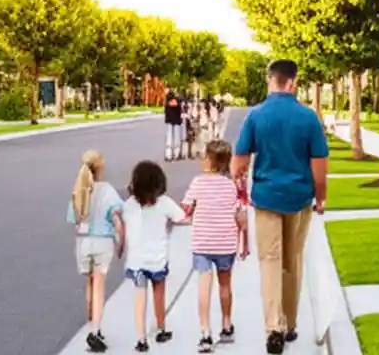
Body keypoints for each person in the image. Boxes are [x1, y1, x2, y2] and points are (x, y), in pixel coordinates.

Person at [232, 59, 328, 355]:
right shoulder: (308, 118)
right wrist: (321, 197)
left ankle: (273, 326)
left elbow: (239, 162)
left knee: (270, 261)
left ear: (270, 80)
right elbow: (320, 168)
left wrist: (241, 182)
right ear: (293, 82)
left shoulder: (256, 116)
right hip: (299, 199)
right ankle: (290, 323)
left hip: (266, 199)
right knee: (292, 260)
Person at [182, 140, 249, 353]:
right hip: (225, 243)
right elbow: (239, 215)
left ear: (209, 161)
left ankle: (204, 332)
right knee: (225, 285)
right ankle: (227, 324)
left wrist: (193, 210)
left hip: (202, 242)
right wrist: (244, 241)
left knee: (204, 285)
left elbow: (187, 207)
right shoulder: (230, 186)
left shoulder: (197, 183)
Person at [123, 160, 188, 352]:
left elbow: (124, 223)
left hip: (137, 261)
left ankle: (141, 338)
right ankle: (161, 328)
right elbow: (182, 217)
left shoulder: (129, 204)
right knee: (159, 295)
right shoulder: (164, 203)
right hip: (158, 260)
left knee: (139, 297)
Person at [66, 150, 125, 353]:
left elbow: (74, 221)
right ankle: (96, 329)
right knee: (99, 284)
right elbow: (117, 219)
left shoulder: (78, 189)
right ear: (100, 168)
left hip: (83, 243)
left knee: (90, 282)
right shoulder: (107, 190)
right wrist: (121, 242)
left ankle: (91, 321)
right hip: (102, 242)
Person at [164, 92, 184, 161]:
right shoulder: (177, 103)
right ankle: (176, 154)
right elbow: (180, 112)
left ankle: (168, 155)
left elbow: (166, 113)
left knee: (169, 139)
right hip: (177, 122)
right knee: (177, 138)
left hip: (169, 122)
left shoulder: (167, 104)